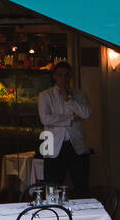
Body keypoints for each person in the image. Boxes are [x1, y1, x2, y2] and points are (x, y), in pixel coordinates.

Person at [38, 61, 92, 197]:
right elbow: (45, 119)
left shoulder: (79, 94)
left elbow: (86, 113)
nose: (63, 78)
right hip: (52, 143)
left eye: (67, 75)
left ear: (71, 77)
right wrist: (71, 118)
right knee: (52, 187)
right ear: (54, 76)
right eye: (60, 75)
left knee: (82, 186)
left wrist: (68, 99)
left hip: (76, 145)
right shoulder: (45, 95)